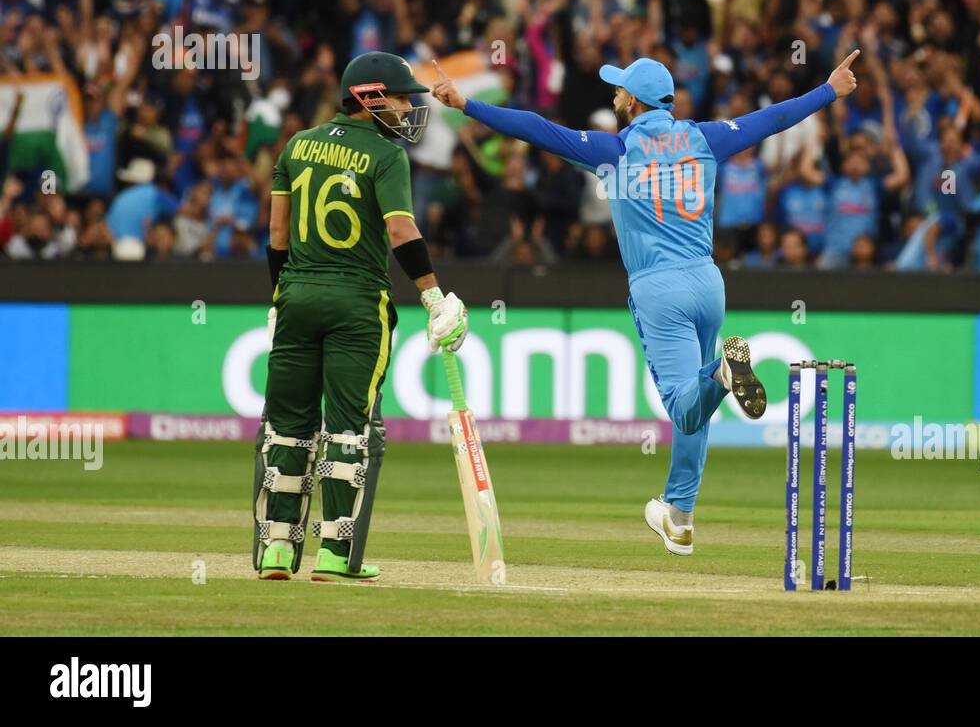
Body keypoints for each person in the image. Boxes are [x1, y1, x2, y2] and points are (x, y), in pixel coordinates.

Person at [429, 52, 860, 555]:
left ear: (633, 100)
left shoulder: (613, 150)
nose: (613, 96)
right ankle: (679, 513)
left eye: (618, 90)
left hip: (659, 290)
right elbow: (772, 119)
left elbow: (534, 128)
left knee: (683, 403)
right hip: (708, 282)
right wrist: (828, 90)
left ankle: (723, 375)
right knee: (693, 405)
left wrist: (468, 104)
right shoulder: (705, 137)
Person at [255, 52, 468, 582]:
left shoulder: (296, 145)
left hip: (296, 297)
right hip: (358, 304)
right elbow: (401, 232)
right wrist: (434, 296)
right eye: (400, 97)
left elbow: (278, 236)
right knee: (349, 429)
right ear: (370, 97)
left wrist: (279, 298)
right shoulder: (386, 156)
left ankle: (278, 550)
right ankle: (334, 556)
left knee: (288, 427)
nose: (406, 108)